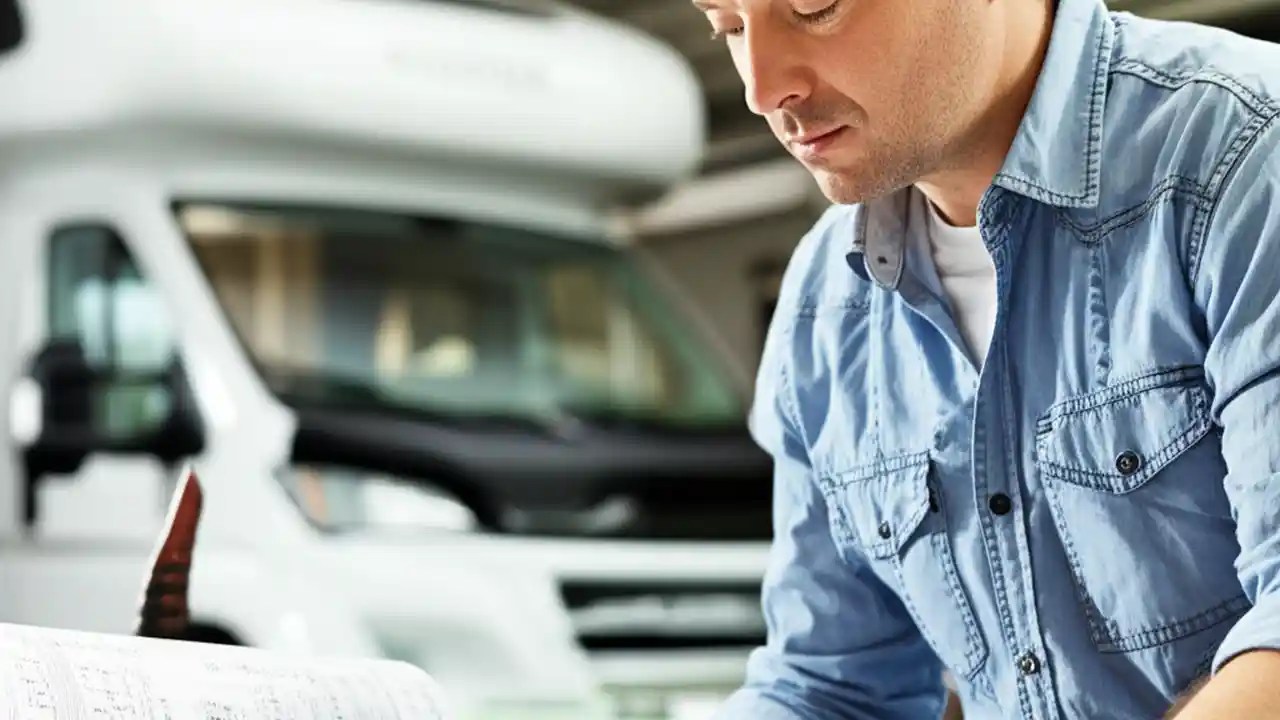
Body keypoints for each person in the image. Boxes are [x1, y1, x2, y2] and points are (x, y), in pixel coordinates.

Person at [694, 0, 1280, 718]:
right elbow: (831, 689)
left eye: (814, 8)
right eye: (728, 26)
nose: (760, 88)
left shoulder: (1248, 153)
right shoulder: (825, 305)